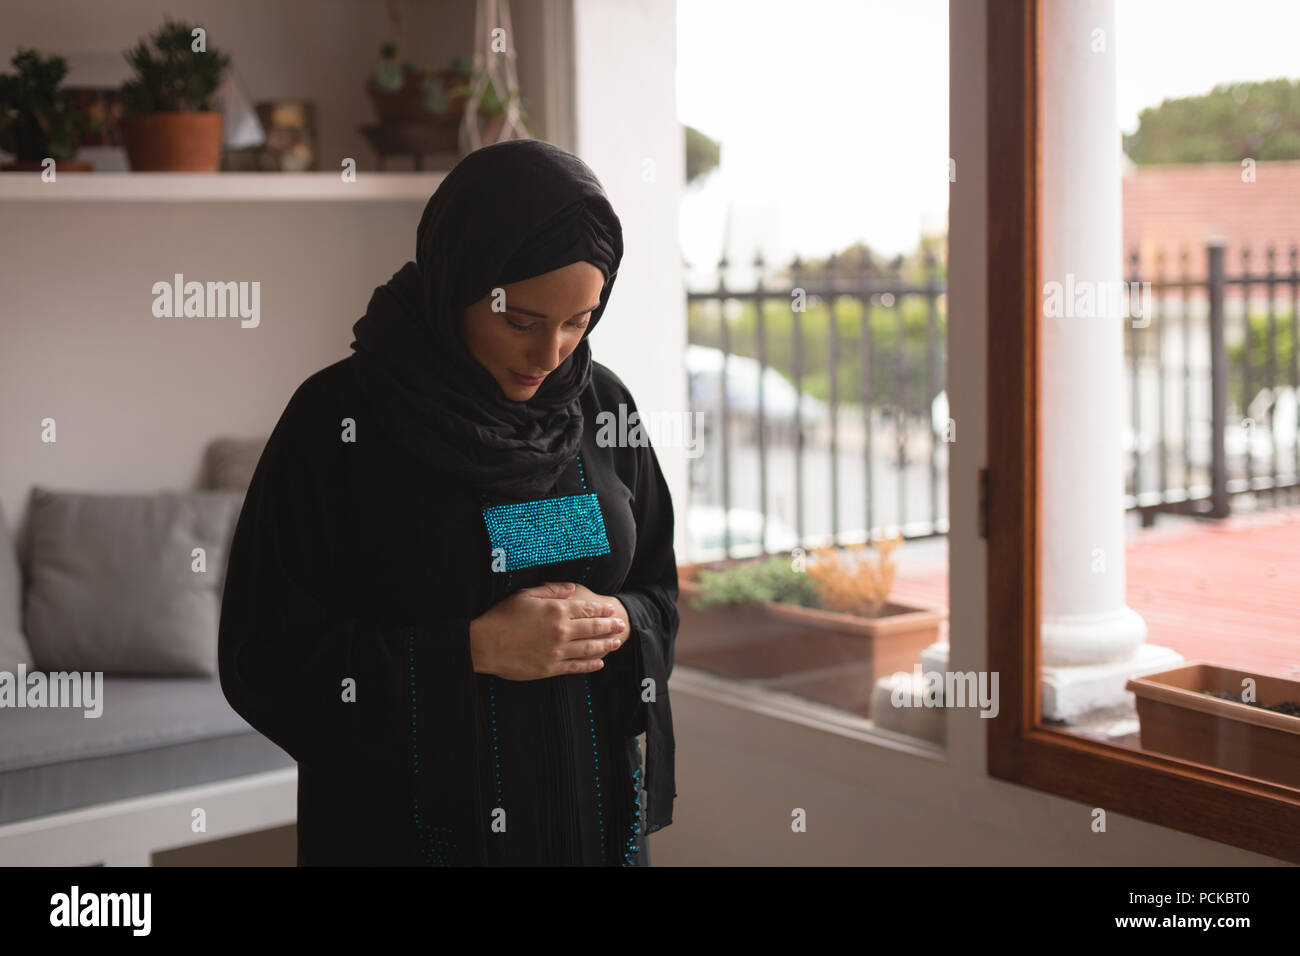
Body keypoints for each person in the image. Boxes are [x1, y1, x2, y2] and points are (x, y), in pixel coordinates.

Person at [217, 138, 678, 866]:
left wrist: (619, 620)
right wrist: (470, 650)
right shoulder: (339, 419)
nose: (550, 353)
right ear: (457, 281)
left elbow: (659, 590)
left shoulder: (602, 405)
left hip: (591, 829)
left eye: (579, 320)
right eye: (520, 321)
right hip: (409, 837)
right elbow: (264, 661)